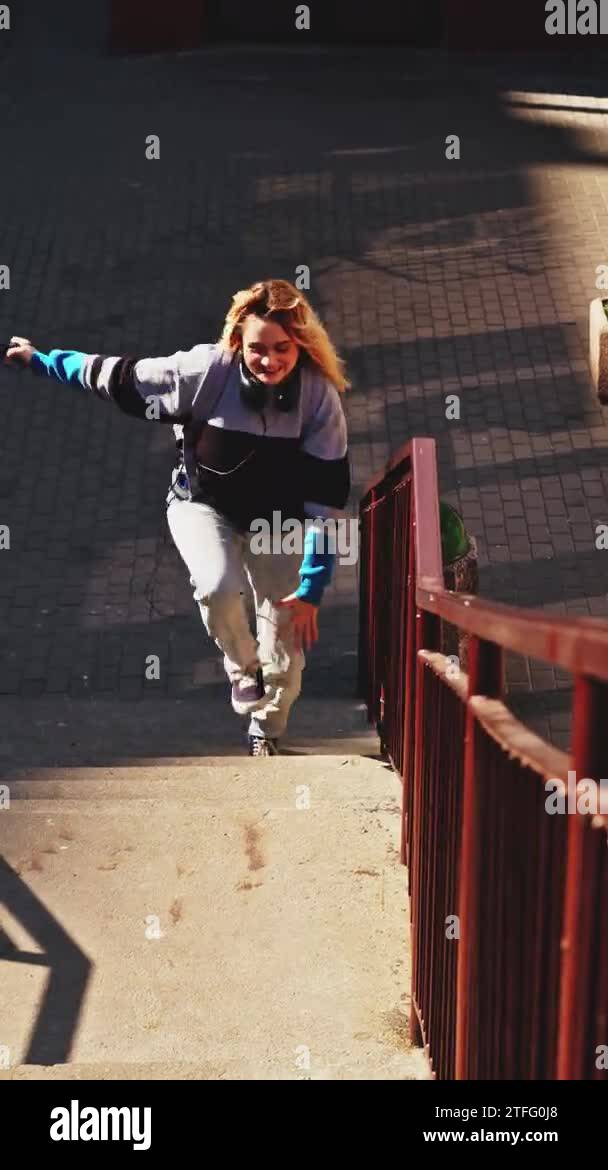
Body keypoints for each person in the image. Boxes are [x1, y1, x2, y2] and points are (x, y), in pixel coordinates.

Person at [2, 279, 351, 756]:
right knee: (216, 585)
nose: (269, 360)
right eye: (256, 349)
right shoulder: (206, 370)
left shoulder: (317, 398)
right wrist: (43, 361)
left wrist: (312, 586)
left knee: (286, 644)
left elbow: (325, 501)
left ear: (301, 344)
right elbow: (121, 377)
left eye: (282, 349)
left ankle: (265, 731)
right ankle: (241, 667)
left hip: (279, 522)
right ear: (236, 342)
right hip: (204, 504)